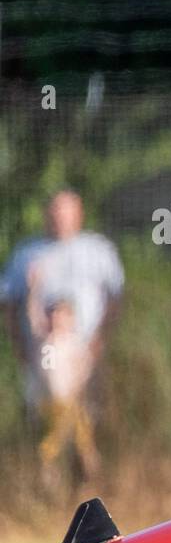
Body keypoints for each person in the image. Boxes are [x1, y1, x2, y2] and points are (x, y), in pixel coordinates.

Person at [1, 190, 123, 481]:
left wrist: (99, 341)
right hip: (44, 360)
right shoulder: (27, 254)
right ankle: (47, 486)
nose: (60, 219)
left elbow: (116, 296)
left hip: (84, 357)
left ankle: (88, 485)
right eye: (55, 213)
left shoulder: (97, 250)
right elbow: (10, 303)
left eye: (66, 213)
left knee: (87, 422)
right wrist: (20, 347)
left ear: (79, 214)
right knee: (47, 424)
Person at [29, 297, 99, 488]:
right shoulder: (47, 344)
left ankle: (89, 484)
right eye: (54, 314)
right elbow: (32, 317)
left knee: (84, 443)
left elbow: (84, 370)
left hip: (73, 401)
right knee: (51, 446)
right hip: (53, 403)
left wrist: (77, 389)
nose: (57, 319)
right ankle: (51, 485)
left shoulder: (74, 344)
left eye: (62, 314)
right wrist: (34, 290)